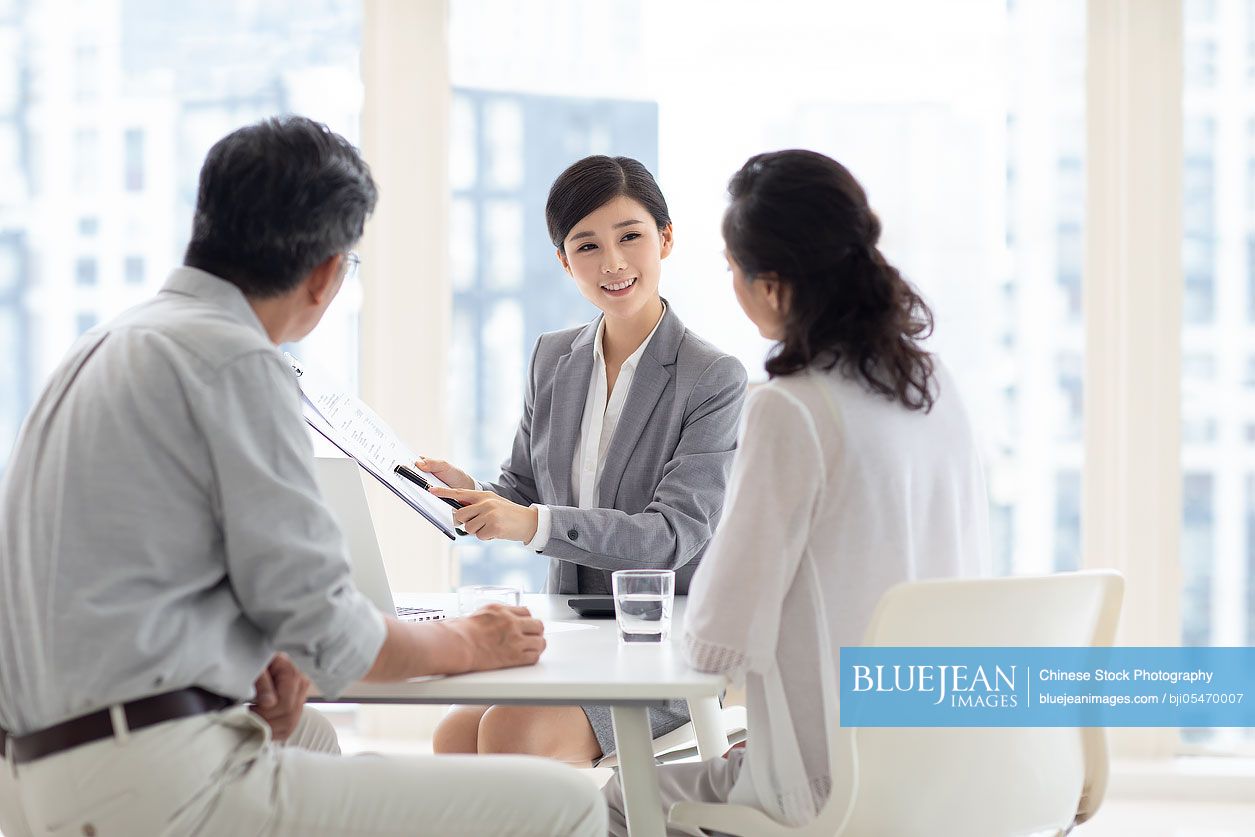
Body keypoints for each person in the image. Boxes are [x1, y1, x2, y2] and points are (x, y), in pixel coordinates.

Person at [0, 116, 605, 837]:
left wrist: (255, 659)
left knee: (313, 740)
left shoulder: (108, 343)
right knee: (568, 804)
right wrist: (473, 640)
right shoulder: (235, 360)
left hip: (40, 767)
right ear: (325, 272)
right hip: (150, 776)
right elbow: (336, 634)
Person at [603, 149, 991, 834]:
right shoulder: (934, 387)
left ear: (773, 285)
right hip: (951, 769)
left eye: (731, 268)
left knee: (610, 798)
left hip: (828, 786)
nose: (731, 284)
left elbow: (717, 641)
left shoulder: (793, 410)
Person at [419, 155, 748, 766]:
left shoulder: (712, 378)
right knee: (454, 735)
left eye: (631, 237)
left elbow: (670, 537)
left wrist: (528, 522)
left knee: (513, 735)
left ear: (666, 239)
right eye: (587, 245)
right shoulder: (553, 359)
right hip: (572, 637)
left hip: (661, 650)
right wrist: (473, 494)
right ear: (564, 261)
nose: (614, 263)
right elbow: (521, 488)